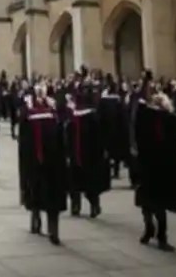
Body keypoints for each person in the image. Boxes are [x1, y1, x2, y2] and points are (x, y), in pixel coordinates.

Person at [133, 89, 176, 251]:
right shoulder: (166, 119)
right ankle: (157, 234)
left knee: (149, 201)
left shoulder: (151, 118)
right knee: (155, 202)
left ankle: (152, 230)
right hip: (158, 165)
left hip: (152, 165)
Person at [18, 89, 66, 245]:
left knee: (50, 196)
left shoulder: (53, 111)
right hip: (36, 161)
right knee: (37, 192)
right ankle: (36, 219)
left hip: (51, 161)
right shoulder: (28, 112)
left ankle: (53, 230)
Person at [65, 90, 109, 218]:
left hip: (79, 154)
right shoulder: (93, 118)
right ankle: (92, 205)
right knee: (88, 181)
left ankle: (78, 206)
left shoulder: (74, 118)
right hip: (88, 155)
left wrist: (67, 153)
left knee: (77, 182)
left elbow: (67, 137)